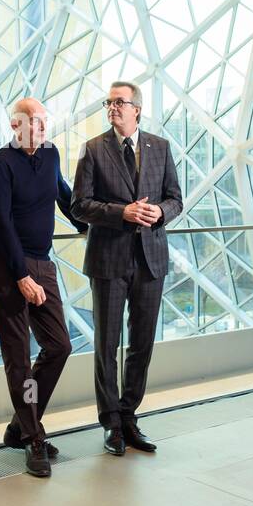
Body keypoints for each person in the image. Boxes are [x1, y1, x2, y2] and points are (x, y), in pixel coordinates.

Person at [70, 81, 183, 456]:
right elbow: (79, 206)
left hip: (151, 259)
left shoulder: (160, 147)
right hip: (108, 260)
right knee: (106, 345)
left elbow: (176, 199)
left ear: (137, 109)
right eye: (109, 102)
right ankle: (111, 424)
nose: (112, 108)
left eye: (120, 102)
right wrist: (123, 213)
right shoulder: (93, 149)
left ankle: (129, 415)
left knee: (142, 344)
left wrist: (159, 212)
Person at [0, 98, 87, 477]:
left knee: (59, 345)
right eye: (34, 121)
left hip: (43, 261)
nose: (42, 128)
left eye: (44, 121)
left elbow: (61, 192)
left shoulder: (51, 153)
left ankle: (21, 426)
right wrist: (22, 275)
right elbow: (1, 222)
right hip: (7, 265)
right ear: (15, 124)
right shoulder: (0, 164)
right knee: (18, 355)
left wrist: (86, 225)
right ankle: (33, 437)